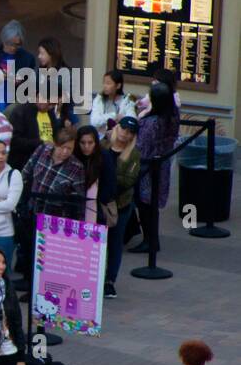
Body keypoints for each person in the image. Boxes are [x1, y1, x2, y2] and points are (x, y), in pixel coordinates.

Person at [19, 126, 86, 277]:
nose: (65, 152)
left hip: (53, 219)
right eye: (62, 147)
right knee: (28, 250)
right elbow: (26, 172)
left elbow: (78, 201)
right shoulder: (42, 151)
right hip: (32, 211)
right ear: (55, 144)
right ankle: (28, 281)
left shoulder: (76, 167)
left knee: (46, 258)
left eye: (70, 148)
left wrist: (78, 227)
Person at [131, 82, 179, 256]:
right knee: (152, 206)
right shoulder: (173, 116)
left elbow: (140, 146)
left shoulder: (151, 122)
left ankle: (149, 241)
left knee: (145, 205)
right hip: (162, 165)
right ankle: (152, 240)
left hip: (147, 168)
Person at [102, 116, 141, 298]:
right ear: (118, 128)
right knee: (98, 242)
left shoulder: (134, 154)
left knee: (115, 243)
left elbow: (128, 180)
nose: (126, 134)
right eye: (124, 129)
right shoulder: (103, 146)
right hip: (99, 202)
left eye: (131, 132)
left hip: (120, 204)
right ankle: (96, 278)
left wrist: (107, 180)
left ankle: (110, 281)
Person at [7, 88, 66, 170]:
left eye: (54, 104)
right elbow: (14, 141)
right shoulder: (21, 112)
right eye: (50, 103)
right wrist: (41, 143)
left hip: (45, 163)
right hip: (24, 163)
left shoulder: (50, 113)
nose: (51, 107)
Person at [74, 124, 109, 224]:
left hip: (97, 208)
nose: (86, 146)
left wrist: (98, 202)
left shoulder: (104, 157)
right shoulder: (74, 156)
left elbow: (110, 185)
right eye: (82, 143)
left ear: (96, 143)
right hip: (75, 207)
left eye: (90, 142)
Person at [86, 69, 136, 133]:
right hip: (101, 137)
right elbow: (94, 121)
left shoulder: (127, 101)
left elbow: (131, 120)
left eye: (108, 83)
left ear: (118, 86)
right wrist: (114, 116)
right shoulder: (99, 99)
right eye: (104, 83)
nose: (105, 86)